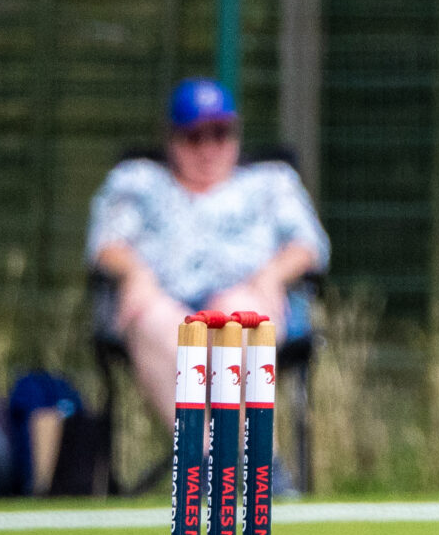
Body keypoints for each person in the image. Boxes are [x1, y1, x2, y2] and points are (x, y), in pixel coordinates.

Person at [87, 78, 329, 425]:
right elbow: (105, 245)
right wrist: (134, 272)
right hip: (165, 311)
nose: (207, 148)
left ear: (236, 133)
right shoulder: (137, 182)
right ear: (171, 138)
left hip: (247, 301)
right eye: (193, 136)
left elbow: (310, 245)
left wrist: (272, 274)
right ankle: (206, 465)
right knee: (162, 323)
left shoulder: (271, 182)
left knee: (236, 319)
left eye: (220, 133)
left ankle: (245, 461)